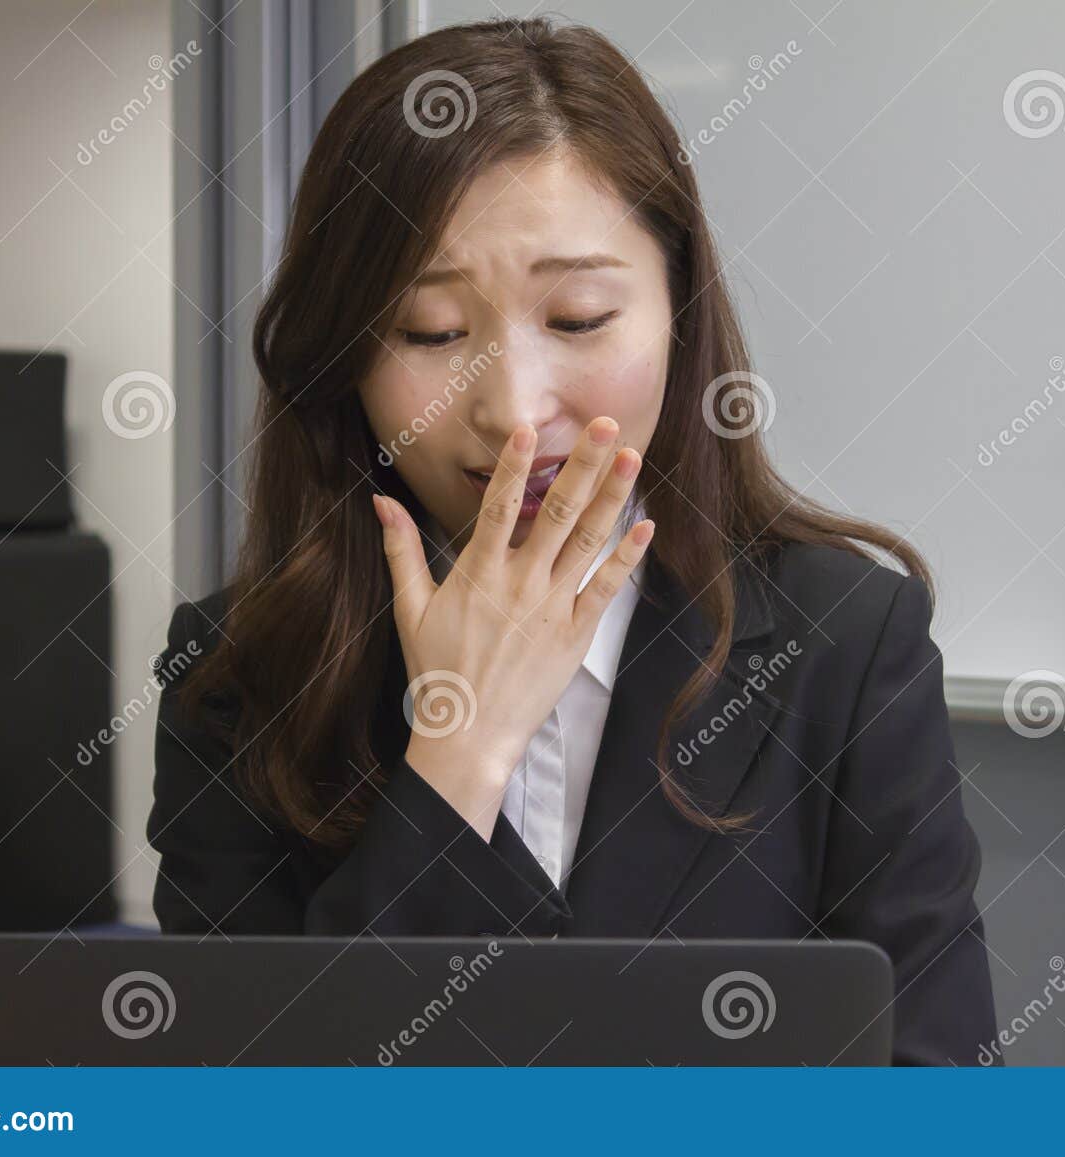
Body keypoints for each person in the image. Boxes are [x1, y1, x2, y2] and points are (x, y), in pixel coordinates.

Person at [148, 15, 996, 1065]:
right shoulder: (235, 675)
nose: (512, 410)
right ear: (343, 359)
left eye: (580, 317)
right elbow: (251, 1109)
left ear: (678, 309)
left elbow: (939, 1090)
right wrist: (458, 751)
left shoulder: (846, 641)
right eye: (431, 332)